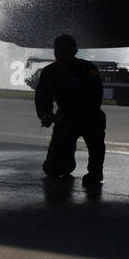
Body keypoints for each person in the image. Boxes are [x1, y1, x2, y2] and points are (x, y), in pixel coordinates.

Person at [35, 33, 106, 187]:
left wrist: (80, 114)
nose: (60, 55)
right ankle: (67, 161)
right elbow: (42, 96)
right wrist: (45, 114)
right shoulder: (49, 72)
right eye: (57, 52)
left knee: (96, 145)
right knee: (52, 170)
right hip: (65, 118)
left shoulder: (88, 69)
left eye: (65, 51)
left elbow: (96, 96)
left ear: (74, 52)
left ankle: (95, 172)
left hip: (89, 116)